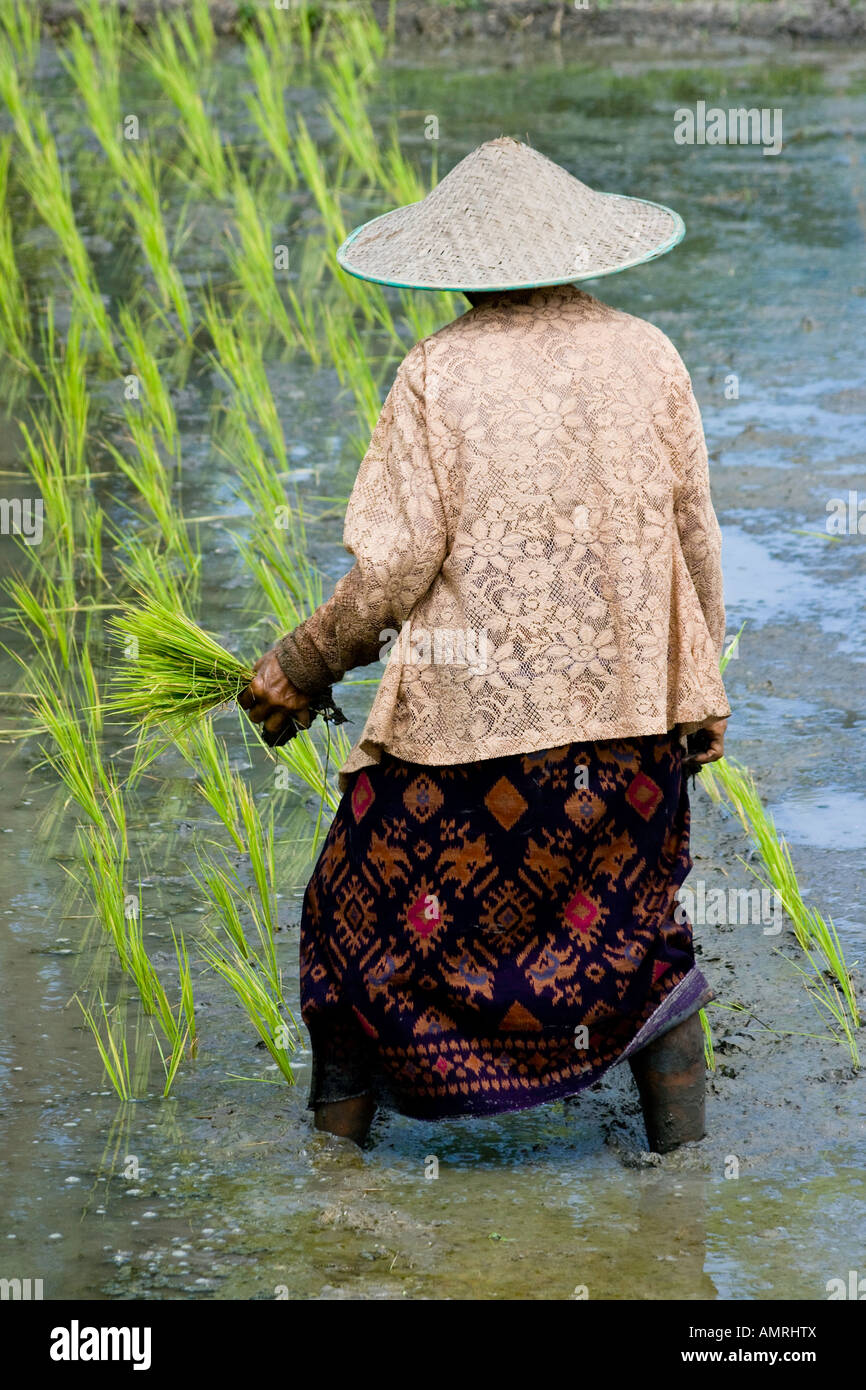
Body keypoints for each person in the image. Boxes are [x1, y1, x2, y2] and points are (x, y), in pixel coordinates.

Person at [239, 137, 730, 1153]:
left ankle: (337, 1181)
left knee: (350, 920)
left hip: (466, 747)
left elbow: (391, 572)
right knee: (632, 931)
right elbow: (694, 537)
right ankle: (677, 1169)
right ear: (575, 249)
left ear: (458, 266)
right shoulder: (648, 352)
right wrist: (699, 691)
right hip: (628, 740)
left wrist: (301, 660)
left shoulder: (435, 372)